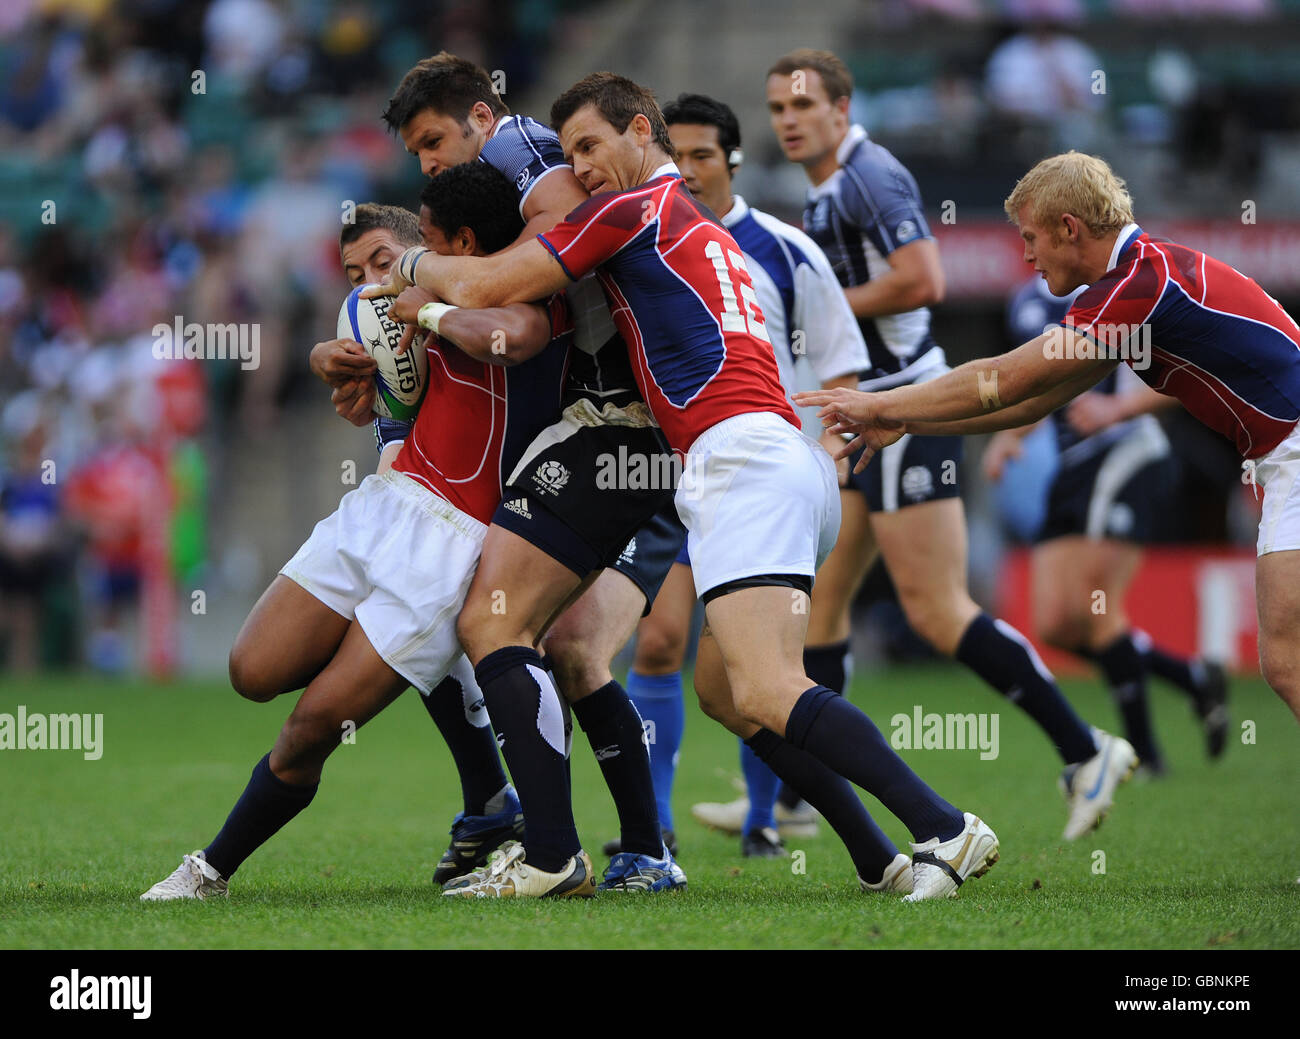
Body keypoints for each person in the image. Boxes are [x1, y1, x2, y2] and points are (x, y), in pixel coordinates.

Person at [369, 72, 999, 902]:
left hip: (741, 460)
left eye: (592, 146)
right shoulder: (700, 224)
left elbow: (490, 286)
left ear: (641, 131)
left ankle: (946, 826)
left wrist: (403, 267)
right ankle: (878, 856)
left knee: (770, 685)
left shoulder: (632, 210)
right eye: (570, 153)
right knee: (732, 694)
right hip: (774, 460)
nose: (581, 168)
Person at [141, 172, 571, 901]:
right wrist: (329, 360)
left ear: (430, 248)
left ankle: (209, 868)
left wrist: (424, 305)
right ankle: (490, 797)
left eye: (385, 260)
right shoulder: (382, 324)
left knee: (311, 726)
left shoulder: (499, 293)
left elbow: (507, 339)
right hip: (380, 507)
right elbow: (375, 401)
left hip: (452, 541)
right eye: (355, 272)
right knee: (252, 669)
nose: (372, 282)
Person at [328, 53, 688, 893]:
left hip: (630, 434)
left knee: (503, 621)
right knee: (562, 644)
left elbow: (523, 278)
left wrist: (427, 282)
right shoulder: (494, 193)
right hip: (614, 436)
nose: (428, 162)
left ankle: (549, 845)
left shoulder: (531, 162)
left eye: (434, 141)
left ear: (483, 120)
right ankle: (630, 845)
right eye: (415, 150)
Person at [795, 149, 1300, 734]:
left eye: (1031, 237)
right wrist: (908, 423)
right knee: (1286, 660)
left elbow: (1007, 379)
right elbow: (1033, 401)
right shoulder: (1138, 277)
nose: (1027, 254)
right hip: (1283, 454)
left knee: (1285, 662)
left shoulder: (1137, 285)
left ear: (1070, 228)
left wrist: (880, 403)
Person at [767, 49, 1136, 840]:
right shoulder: (829, 189)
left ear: (842, 106)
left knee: (937, 610)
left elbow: (924, 278)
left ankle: (1085, 748)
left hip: (907, 411)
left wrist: (815, 308)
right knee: (823, 604)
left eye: (803, 105)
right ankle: (803, 799)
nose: (789, 120)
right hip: (867, 414)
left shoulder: (872, 175)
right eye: (777, 109)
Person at [624, 93, 869, 858]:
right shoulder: (644, 240)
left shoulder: (788, 250)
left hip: (763, 481)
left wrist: (827, 457)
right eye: (680, 155)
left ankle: (764, 819)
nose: (690, 169)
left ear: (732, 160)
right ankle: (655, 822)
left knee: (753, 667)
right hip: (677, 473)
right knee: (660, 640)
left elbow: (845, 373)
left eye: (704, 155)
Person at [984, 276, 1229, 771]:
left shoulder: (1122, 290)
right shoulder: (1026, 302)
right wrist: (1011, 436)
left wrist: (1119, 407)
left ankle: (1145, 757)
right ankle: (1191, 679)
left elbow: (1193, 373)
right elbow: (1042, 385)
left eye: (1037, 234)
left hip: (1126, 453)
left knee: (1097, 611)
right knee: (1055, 623)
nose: (1030, 249)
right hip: (1072, 467)